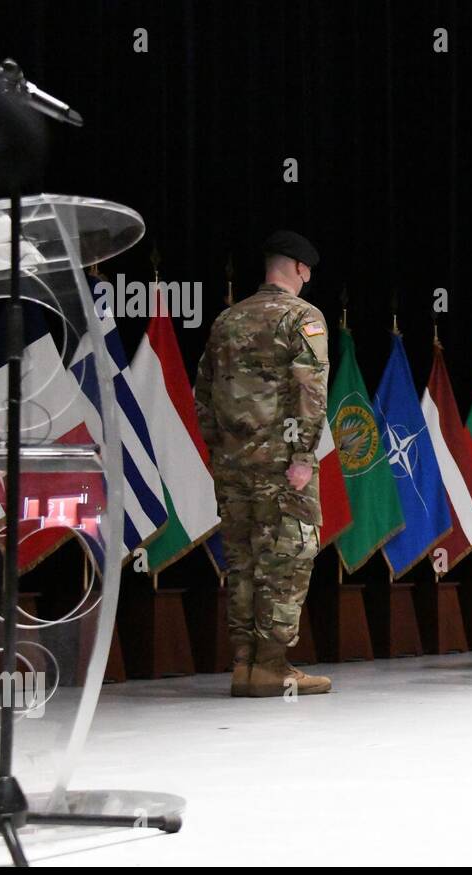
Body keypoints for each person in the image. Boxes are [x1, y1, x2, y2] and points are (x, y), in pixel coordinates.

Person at [195, 229, 332, 698]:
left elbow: (204, 395)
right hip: (280, 463)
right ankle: (271, 664)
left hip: (233, 465)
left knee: (243, 561)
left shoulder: (226, 320)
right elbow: (310, 391)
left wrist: (221, 449)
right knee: (288, 559)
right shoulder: (303, 317)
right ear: (300, 268)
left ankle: (243, 664)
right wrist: (302, 455)